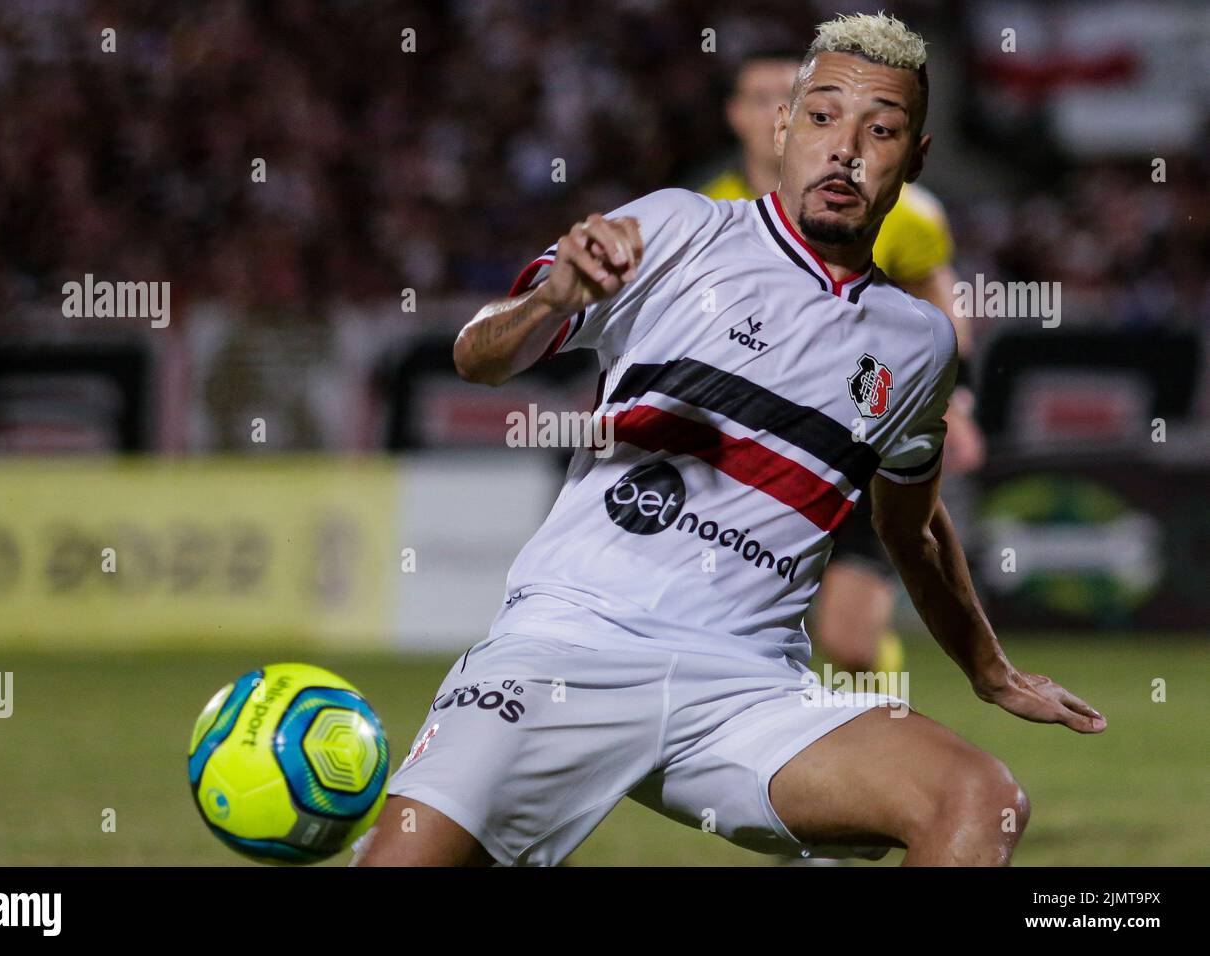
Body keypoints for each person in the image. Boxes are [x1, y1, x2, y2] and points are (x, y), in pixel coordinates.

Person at [357, 13, 1104, 868]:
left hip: (748, 690)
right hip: (570, 644)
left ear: (917, 158)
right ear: (783, 128)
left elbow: (915, 526)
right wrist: (551, 300)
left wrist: (990, 671)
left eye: (881, 129)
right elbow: (476, 354)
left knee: (980, 801)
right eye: (823, 117)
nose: (847, 149)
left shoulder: (920, 342)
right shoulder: (678, 231)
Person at [700, 45, 986, 678]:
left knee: (851, 647)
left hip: (860, 432)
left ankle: (881, 717)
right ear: (750, 119)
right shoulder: (711, 214)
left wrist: (955, 403)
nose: (781, 108)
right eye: (762, 97)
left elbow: (945, 323)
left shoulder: (904, 214)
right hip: (750, 451)